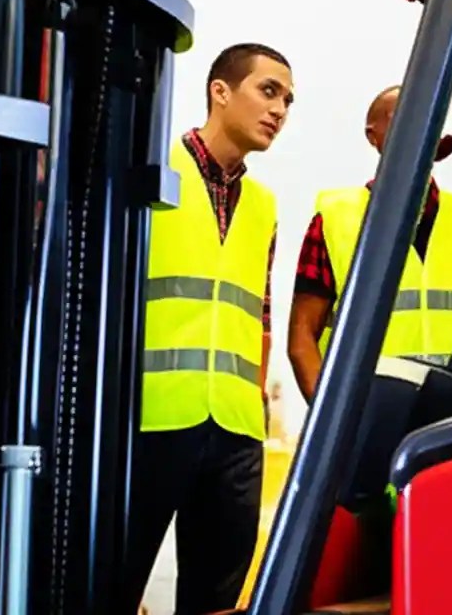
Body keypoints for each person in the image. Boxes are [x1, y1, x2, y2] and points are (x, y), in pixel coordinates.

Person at [121, 43, 291, 615]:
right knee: (110, 586)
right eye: (268, 91)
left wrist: (258, 417)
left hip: (236, 431)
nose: (280, 110)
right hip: (149, 420)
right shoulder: (152, 174)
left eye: (288, 100)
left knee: (218, 600)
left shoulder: (264, 205)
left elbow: (261, 315)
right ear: (220, 91)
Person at [287, 85, 452, 400]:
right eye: (399, 114)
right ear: (372, 135)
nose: (420, 122)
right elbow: (302, 338)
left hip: (449, 419)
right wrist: (331, 424)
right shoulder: (335, 220)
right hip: (368, 413)